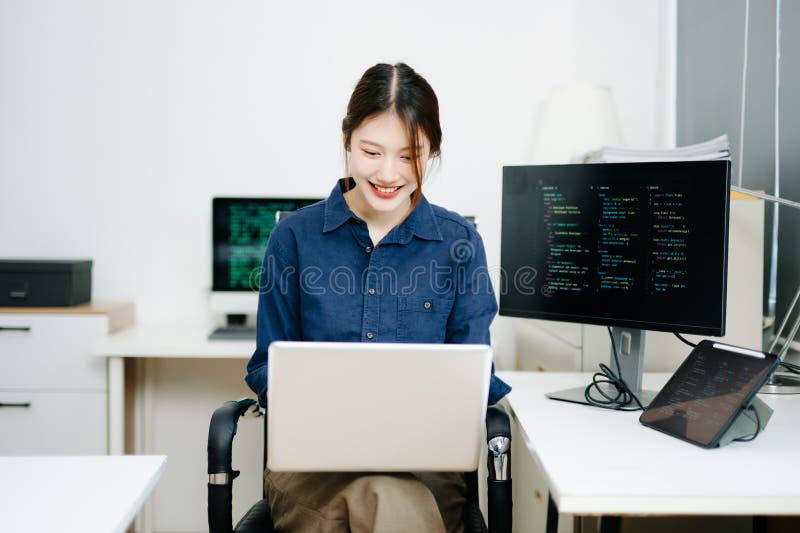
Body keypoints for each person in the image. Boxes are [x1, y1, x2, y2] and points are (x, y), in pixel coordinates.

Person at [245, 62, 511, 533]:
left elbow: (476, 375)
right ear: (346, 140)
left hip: (427, 471)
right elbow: (267, 366)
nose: (389, 174)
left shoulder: (458, 244)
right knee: (387, 505)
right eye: (372, 152)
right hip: (313, 470)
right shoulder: (293, 238)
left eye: (410, 156)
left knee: (391, 501)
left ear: (432, 153)